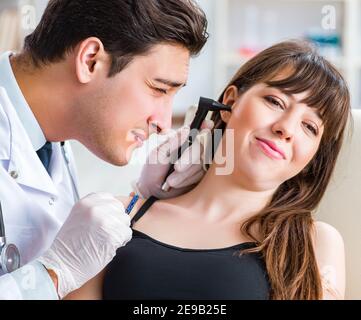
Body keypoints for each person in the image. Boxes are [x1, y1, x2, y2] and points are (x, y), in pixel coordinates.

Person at [66, 40, 351, 300]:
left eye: (310, 127)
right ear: (229, 102)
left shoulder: (313, 245)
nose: (285, 128)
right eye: (275, 102)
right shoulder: (117, 216)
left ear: (314, 157)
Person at [0, 0, 210, 299]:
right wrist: (54, 273)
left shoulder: (50, 141)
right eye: (159, 89)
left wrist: (142, 196)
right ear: (90, 61)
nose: (164, 123)